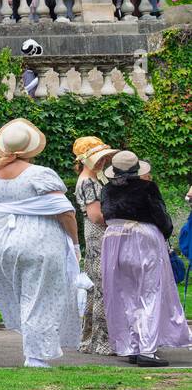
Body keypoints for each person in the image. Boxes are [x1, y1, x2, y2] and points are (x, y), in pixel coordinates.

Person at [0, 119, 80, 368]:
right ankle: (35, 356)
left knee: (26, 297)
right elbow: (65, 212)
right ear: (30, 148)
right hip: (37, 240)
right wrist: (75, 244)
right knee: (40, 297)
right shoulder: (39, 174)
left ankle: (33, 348)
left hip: (1, 241)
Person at [100, 152, 191, 366]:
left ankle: (132, 345)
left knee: (125, 293)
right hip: (142, 239)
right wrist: (166, 233)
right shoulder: (147, 188)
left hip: (113, 239)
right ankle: (147, 350)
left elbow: (105, 215)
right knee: (150, 292)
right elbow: (161, 217)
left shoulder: (107, 190)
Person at [72, 138, 116, 355]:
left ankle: (90, 340)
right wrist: (121, 216)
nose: (102, 162)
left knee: (98, 287)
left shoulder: (94, 177)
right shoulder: (87, 181)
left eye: (103, 158)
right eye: (97, 158)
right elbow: (96, 215)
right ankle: (102, 342)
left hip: (97, 233)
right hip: (98, 234)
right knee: (102, 286)